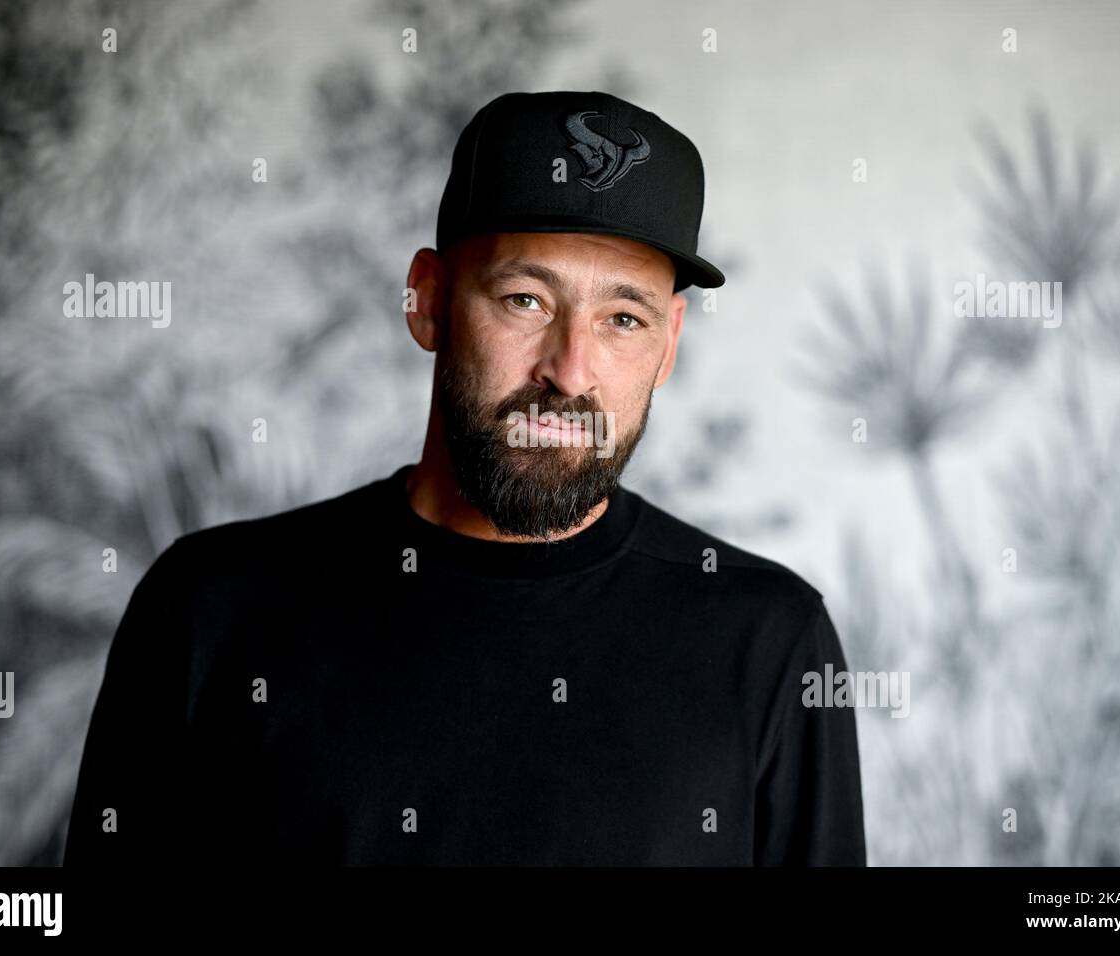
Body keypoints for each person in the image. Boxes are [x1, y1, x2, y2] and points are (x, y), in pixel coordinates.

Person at [63, 90, 867, 866]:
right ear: (429, 300)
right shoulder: (210, 609)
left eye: (624, 318)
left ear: (669, 344)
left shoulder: (768, 641)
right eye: (525, 299)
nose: (571, 370)